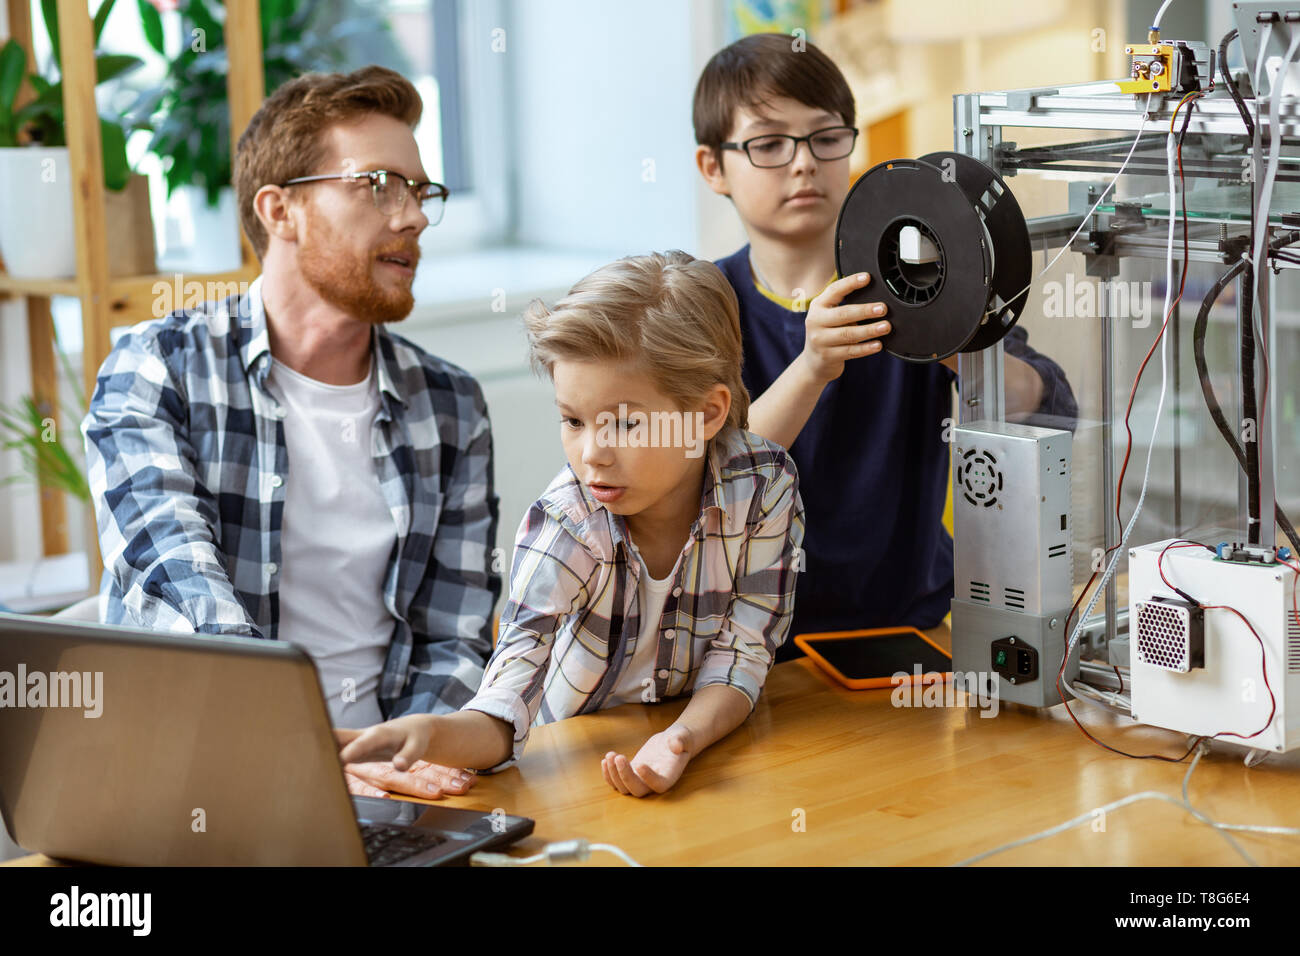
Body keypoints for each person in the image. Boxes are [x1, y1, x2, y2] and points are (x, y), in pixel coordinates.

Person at [82, 66, 498, 799]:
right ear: (280, 211)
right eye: (379, 185)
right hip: (202, 776)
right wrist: (297, 753)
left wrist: (406, 762)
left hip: (394, 785)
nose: (414, 217)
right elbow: (184, 591)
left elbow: (454, 634)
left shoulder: (451, 403)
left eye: (421, 191)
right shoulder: (158, 369)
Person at [337, 251, 805, 797]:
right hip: (573, 772)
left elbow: (744, 653)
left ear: (705, 415)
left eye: (625, 423)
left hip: (706, 753)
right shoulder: (565, 525)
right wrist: (429, 732)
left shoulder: (765, 486)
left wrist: (682, 739)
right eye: (573, 421)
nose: (592, 456)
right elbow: (502, 709)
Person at [693, 34, 1078, 657]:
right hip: (742, 653)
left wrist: (960, 343)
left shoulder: (922, 283)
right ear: (713, 167)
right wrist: (813, 365)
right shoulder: (701, 303)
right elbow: (707, 477)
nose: (803, 164)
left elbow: (1052, 406)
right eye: (768, 144)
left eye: (825, 137)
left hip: (912, 632)